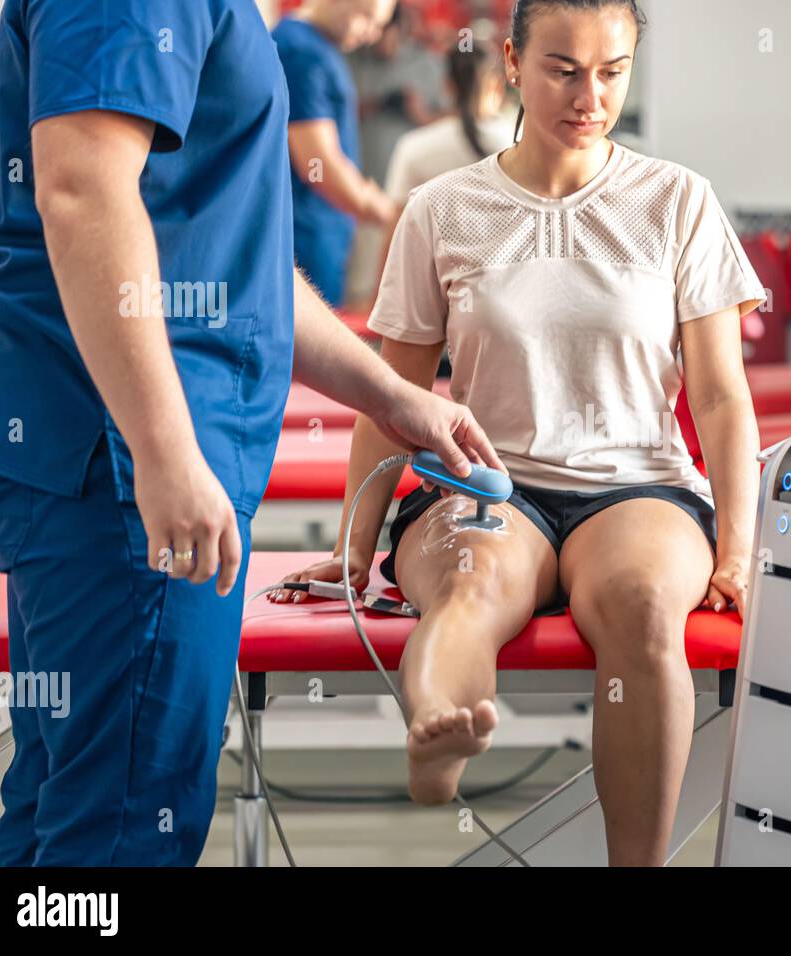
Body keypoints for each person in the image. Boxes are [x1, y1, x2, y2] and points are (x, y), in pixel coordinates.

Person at [0, 0, 501, 867]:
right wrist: (164, 452)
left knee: (67, 798)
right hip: (116, 458)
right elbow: (81, 189)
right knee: (121, 821)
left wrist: (390, 395)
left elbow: (231, 262)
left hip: (104, 447)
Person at [274, 0, 766, 866]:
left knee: (644, 610)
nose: (591, 96)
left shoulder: (678, 201)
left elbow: (722, 398)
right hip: (483, 482)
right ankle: (439, 733)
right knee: (469, 590)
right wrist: (355, 549)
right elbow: (393, 394)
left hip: (639, 487)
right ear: (510, 61)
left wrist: (736, 546)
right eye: (564, 70)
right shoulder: (442, 209)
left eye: (613, 71)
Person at [274, 0, 401, 307]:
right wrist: (388, 214)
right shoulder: (302, 53)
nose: (371, 35)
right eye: (367, 19)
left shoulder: (314, 47)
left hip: (319, 234)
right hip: (305, 238)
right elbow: (318, 165)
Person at [376, 39, 516, 286]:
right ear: (497, 85)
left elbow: (395, 234)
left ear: (447, 86)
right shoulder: (519, 143)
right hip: (506, 287)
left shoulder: (414, 147)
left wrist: (378, 294)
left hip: (429, 289)